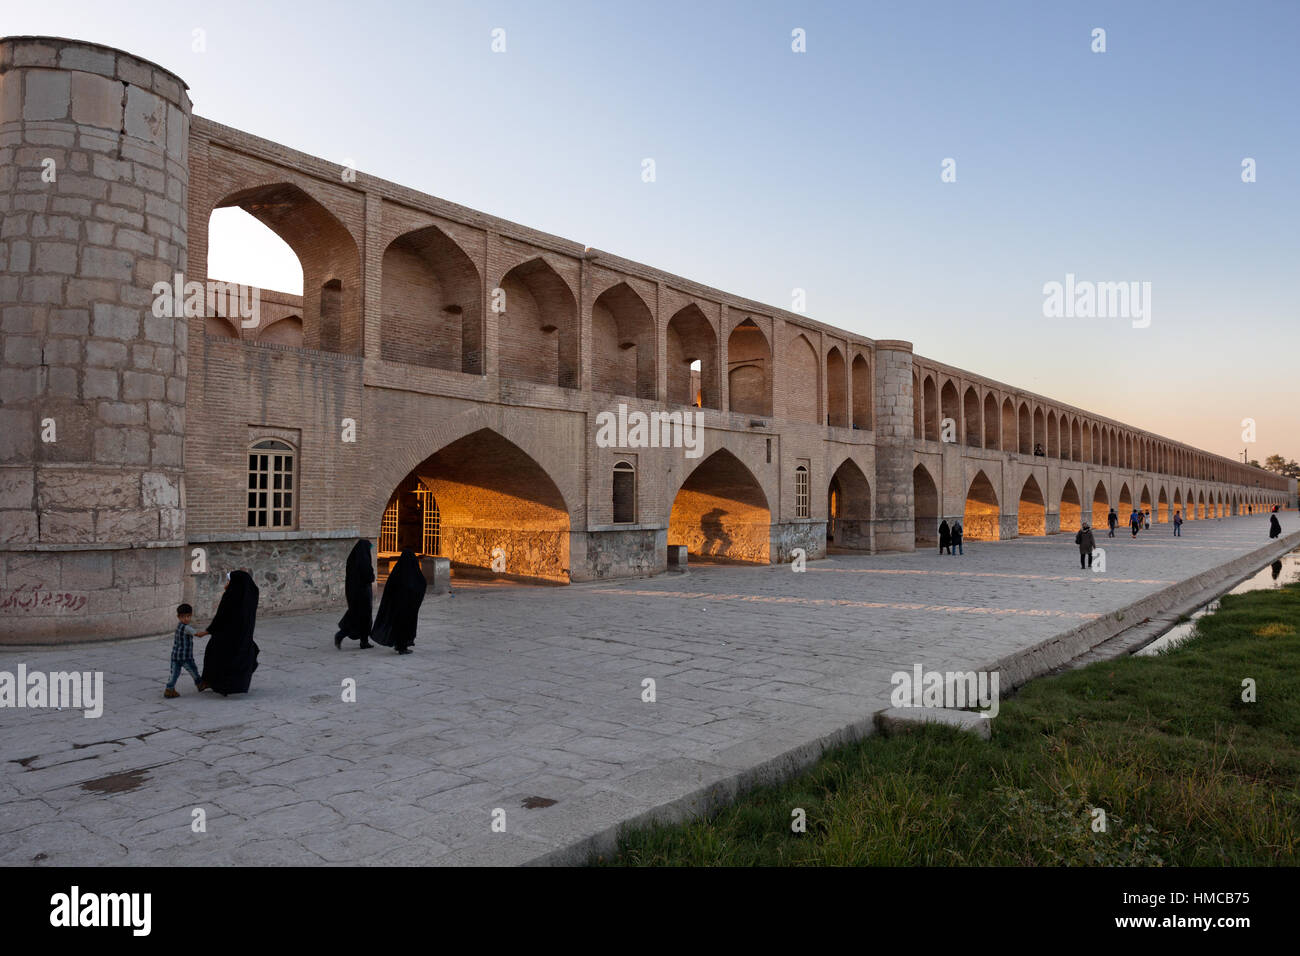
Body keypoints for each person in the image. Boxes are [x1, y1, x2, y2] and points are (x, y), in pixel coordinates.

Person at [200, 570, 260, 696]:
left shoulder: (231, 596)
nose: (226, 584)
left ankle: (210, 681)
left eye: (228, 581)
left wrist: (208, 630)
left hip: (225, 635)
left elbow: (221, 616)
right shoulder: (250, 594)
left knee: (214, 656)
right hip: (243, 635)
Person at [371, 550, 427, 655]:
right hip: (409, 607)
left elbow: (389, 589)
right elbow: (421, 584)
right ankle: (402, 647)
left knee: (399, 624)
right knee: (406, 625)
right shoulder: (414, 573)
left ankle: (399, 645)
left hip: (397, 606)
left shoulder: (397, 571)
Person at [335, 539, 375, 650]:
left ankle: (364, 641)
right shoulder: (363, 560)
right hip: (363, 593)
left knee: (359, 616)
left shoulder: (353, 558)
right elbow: (368, 575)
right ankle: (341, 635)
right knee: (361, 616)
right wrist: (372, 577)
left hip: (354, 592)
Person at [165, 603, 208, 699]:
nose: (186, 619)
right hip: (185, 656)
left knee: (174, 673)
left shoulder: (179, 625)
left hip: (176, 655)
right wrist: (209, 631)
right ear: (178, 617)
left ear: (191, 615)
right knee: (193, 669)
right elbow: (198, 634)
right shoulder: (187, 628)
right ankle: (200, 684)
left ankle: (169, 689)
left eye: (188, 616)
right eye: (183, 617)